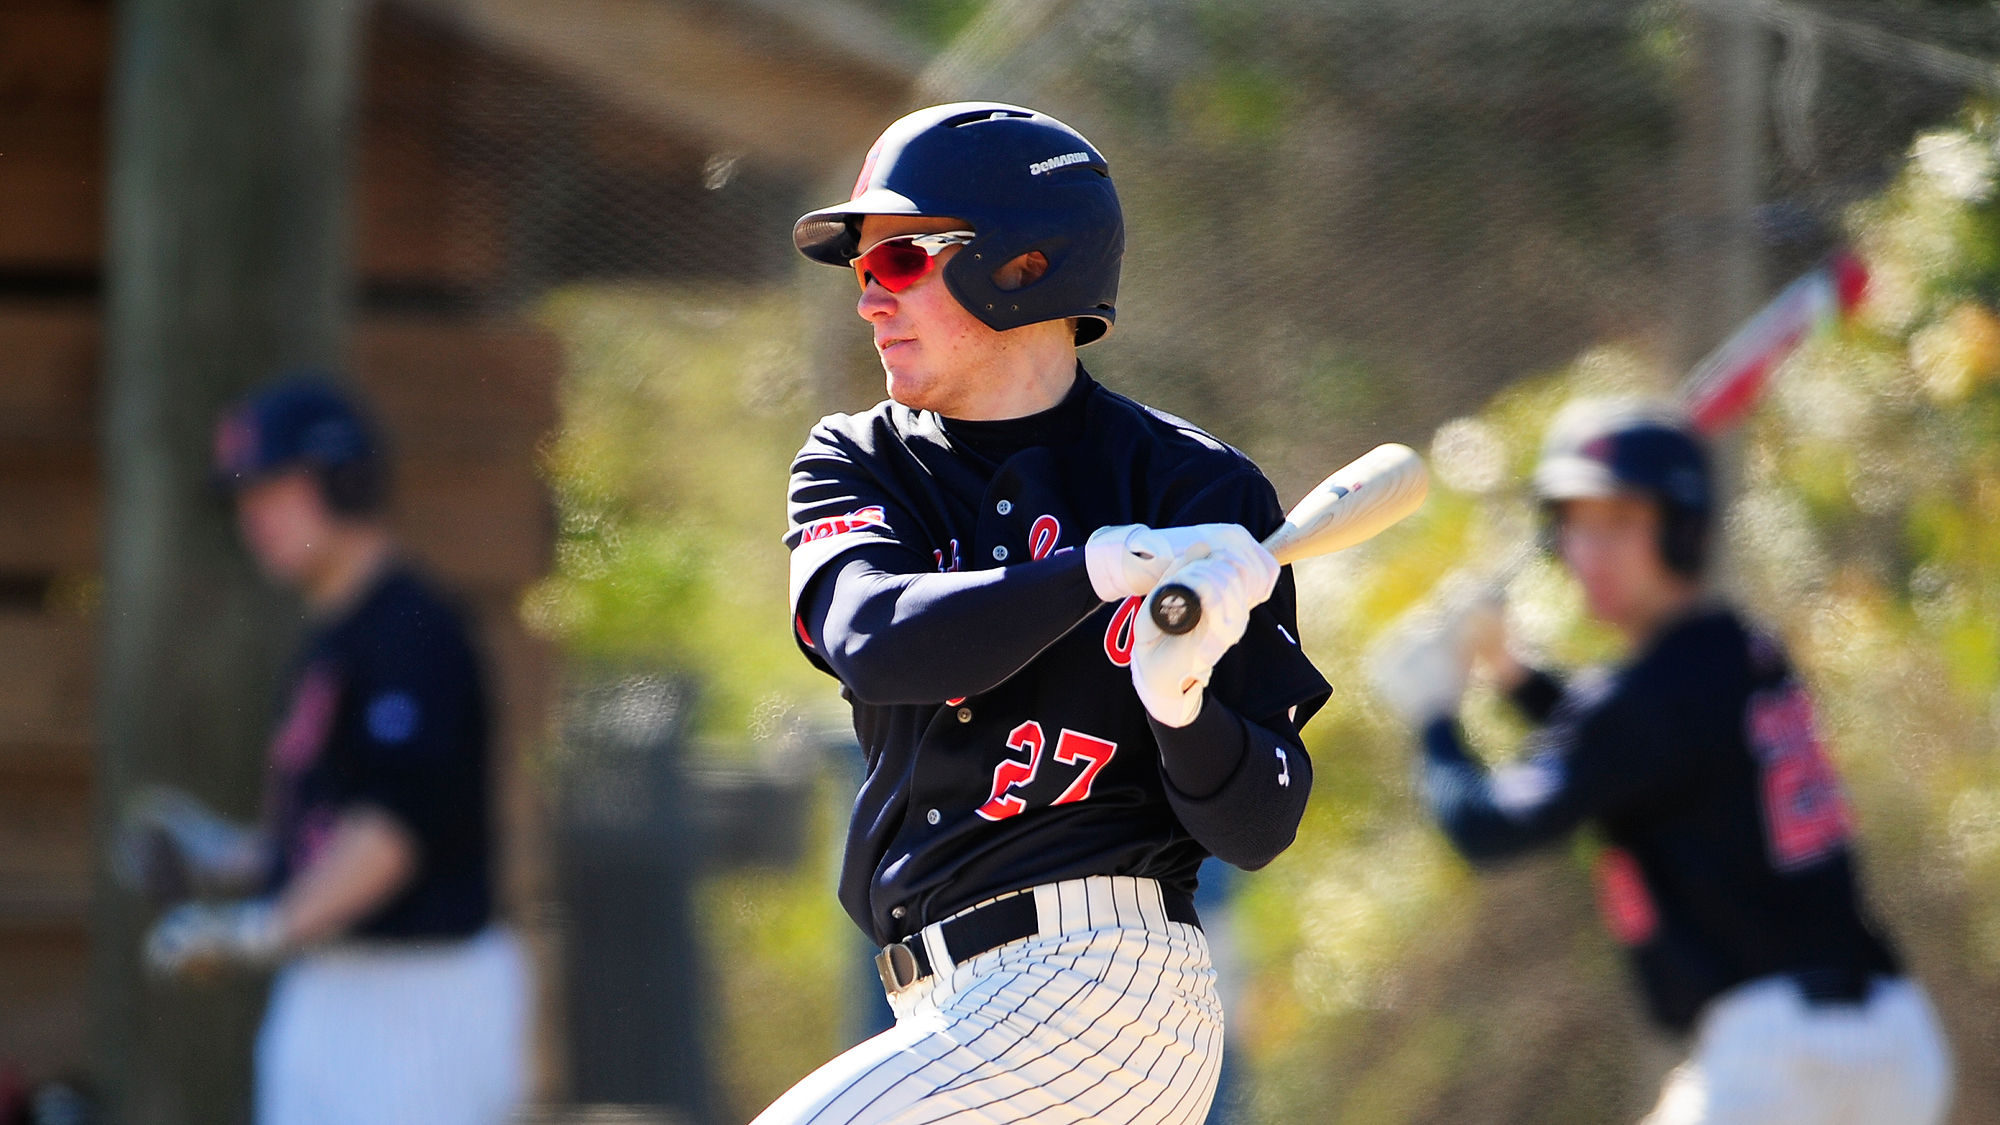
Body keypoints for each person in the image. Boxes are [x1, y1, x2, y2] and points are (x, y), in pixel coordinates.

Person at [764, 103, 1332, 1124]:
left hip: (1105, 985)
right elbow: (871, 641)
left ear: (1024, 265)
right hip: (942, 1007)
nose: (868, 300)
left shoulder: (1195, 491)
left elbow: (1258, 823)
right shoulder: (858, 460)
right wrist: (1097, 570)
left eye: (899, 260)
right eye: (863, 269)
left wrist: (1181, 706)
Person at [1372, 398, 1952, 1125]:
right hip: (1891, 1042)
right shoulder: (1738, 647)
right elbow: (1625, 750)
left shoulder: (1643, 699)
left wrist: (1433, 721)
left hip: (1777, 1059)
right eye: (1578, 526)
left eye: (1622, 522)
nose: (1592, 550)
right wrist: (1513, 674)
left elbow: (1487, 828)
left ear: (1682, 528)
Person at [122, 378, 528, 1125]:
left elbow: (392, 830)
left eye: (272, 488)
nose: (253, 517)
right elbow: (328, 830)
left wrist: (258, 931)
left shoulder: (413, 629)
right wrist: (225, 855)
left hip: (417, 997)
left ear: (345, 479)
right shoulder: (333, 637)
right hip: (334, 986)